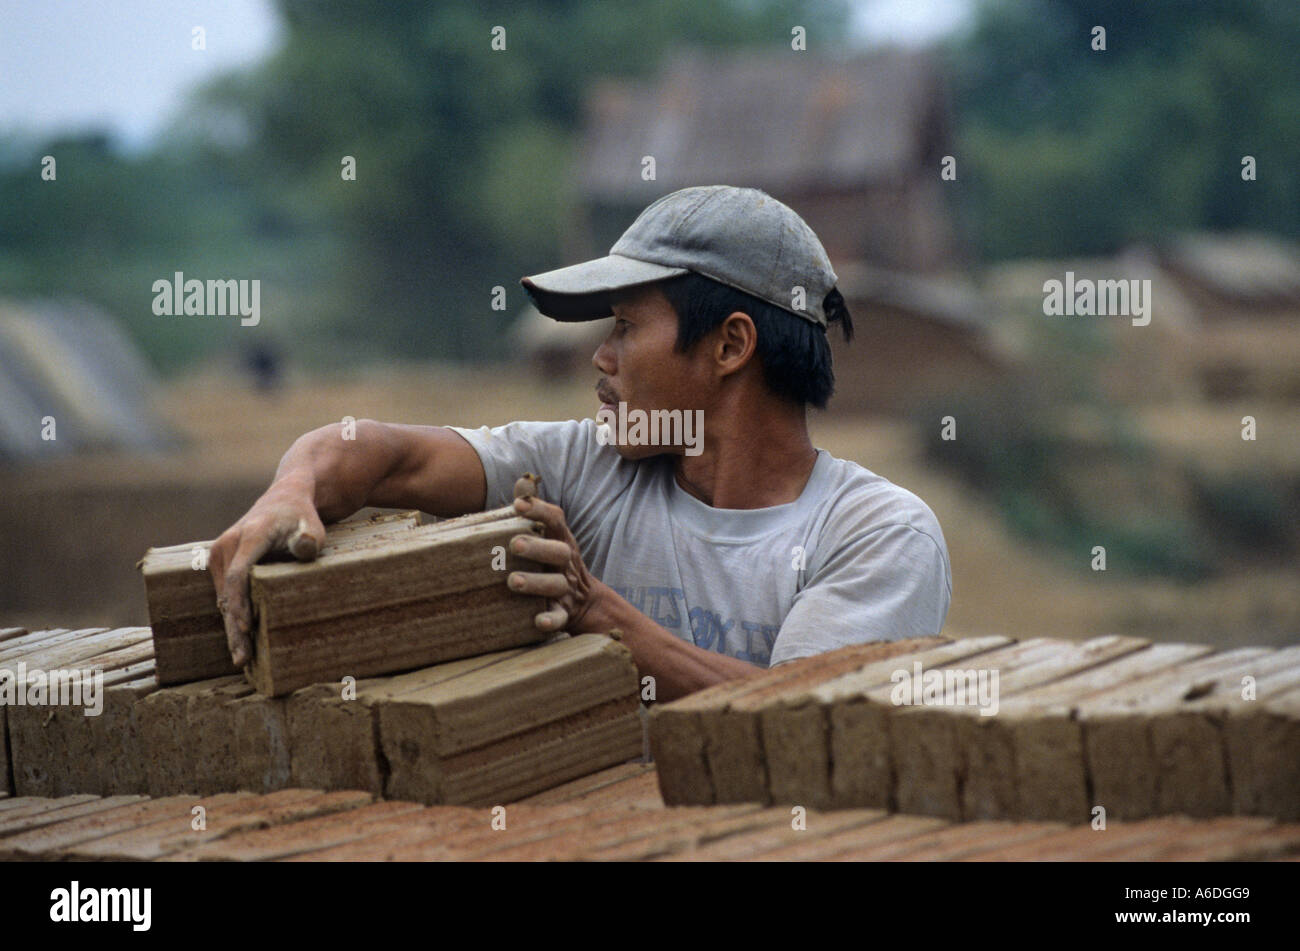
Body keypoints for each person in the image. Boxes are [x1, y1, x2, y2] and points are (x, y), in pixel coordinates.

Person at [209, 185, 952, 703]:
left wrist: (602, 614)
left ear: (730, 344)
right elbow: (383, 451)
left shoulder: (876, 534)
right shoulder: (590, 467)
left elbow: (804, 716)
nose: (601, 358)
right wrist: (292, 488)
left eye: (625, 327)